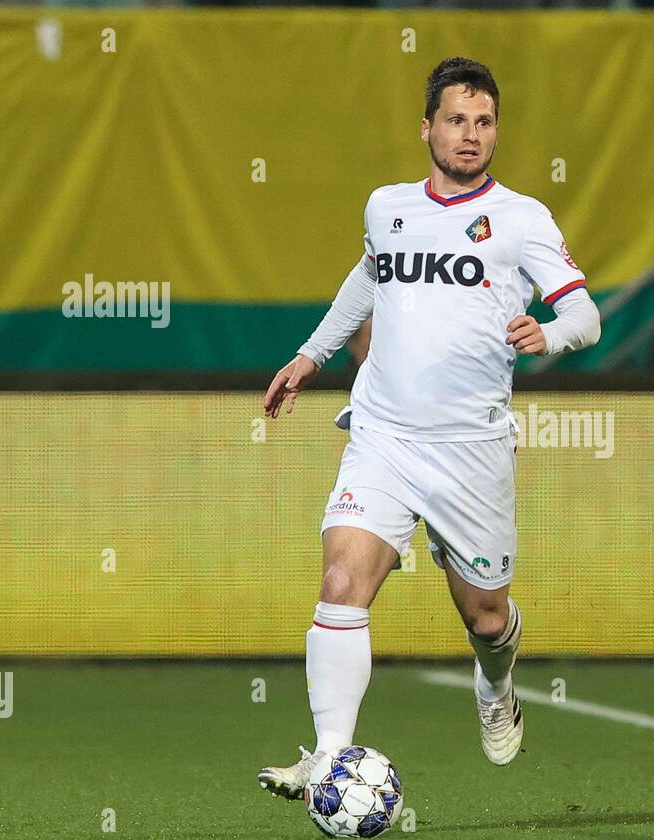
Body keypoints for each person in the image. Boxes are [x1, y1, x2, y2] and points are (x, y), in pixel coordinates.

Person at [256, 56, 601, 798]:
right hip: (382, 434)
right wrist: (312, 355)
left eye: (483, 122)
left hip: (470, 450)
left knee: (484, 615)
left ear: (495, 131)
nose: (470, 135)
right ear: (427, 128)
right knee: (342, 580)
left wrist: (553, 333)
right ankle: (330, 755)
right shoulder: (387, 207)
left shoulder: (522, 219)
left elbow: (585, 313)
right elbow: (368, 278)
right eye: (456, 120)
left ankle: (494, 683)